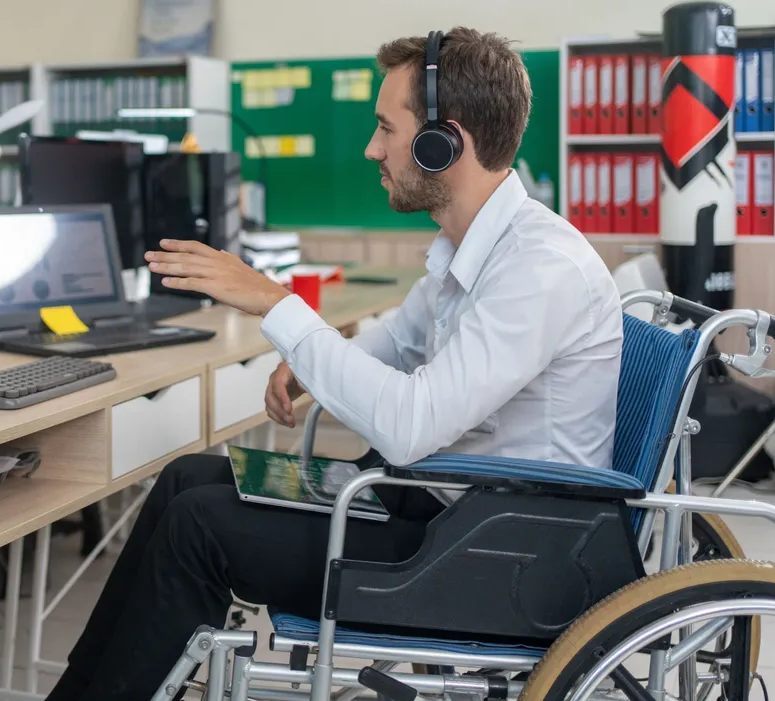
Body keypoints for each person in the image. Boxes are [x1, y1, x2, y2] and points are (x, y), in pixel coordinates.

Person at [46, 27, 624, 701]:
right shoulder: (472, 247)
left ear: (445, 141)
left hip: (504, 554)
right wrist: (307, 356)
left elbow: (411, 425)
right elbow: (399, 341)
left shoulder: (538, 266)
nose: (372, 148)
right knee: (185, 480)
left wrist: (276, 304)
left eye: (386, 127)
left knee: (196, 527)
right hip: (445, 507)